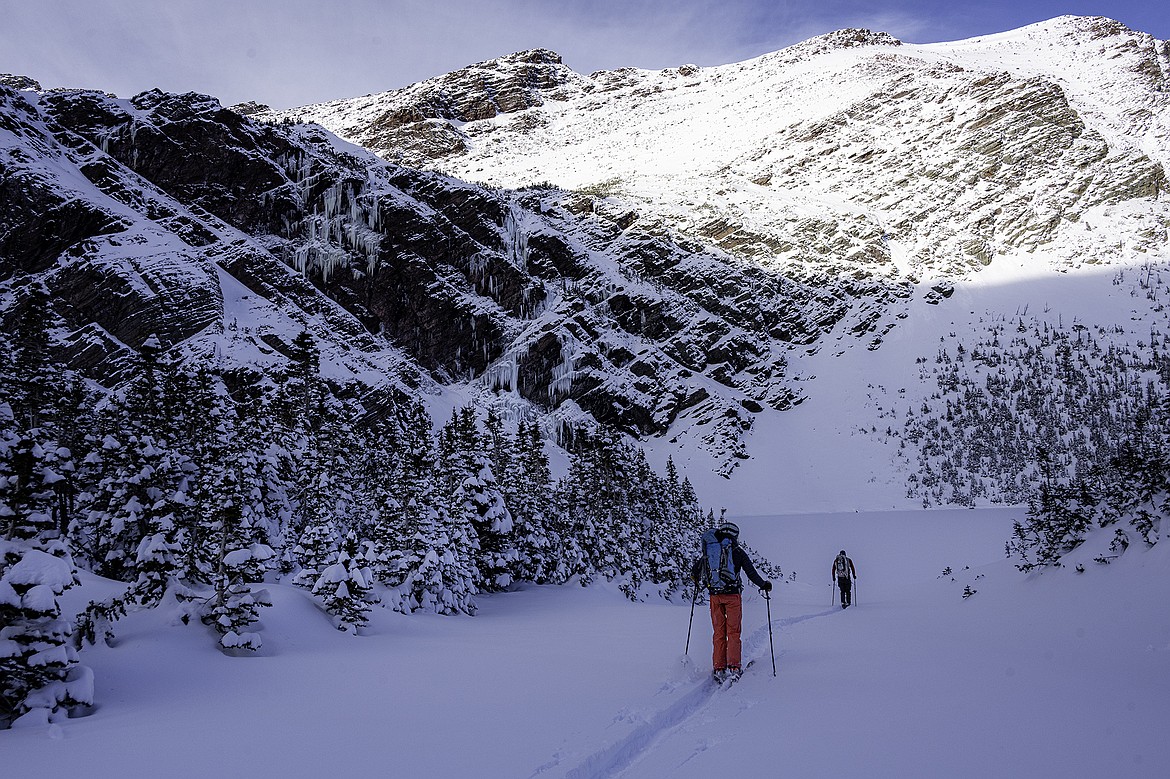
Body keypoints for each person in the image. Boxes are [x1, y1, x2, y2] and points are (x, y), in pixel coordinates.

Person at [691, 521, 772, 683]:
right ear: (735, 535)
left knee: (719, 632)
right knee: (733, 632)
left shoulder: (710, 550)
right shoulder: (737, 551)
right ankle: (734, 666)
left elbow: (695, 572)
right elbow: (751, 573)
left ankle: (719, 666)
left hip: (715, 596)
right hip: (733, 596)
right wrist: (764, 585)